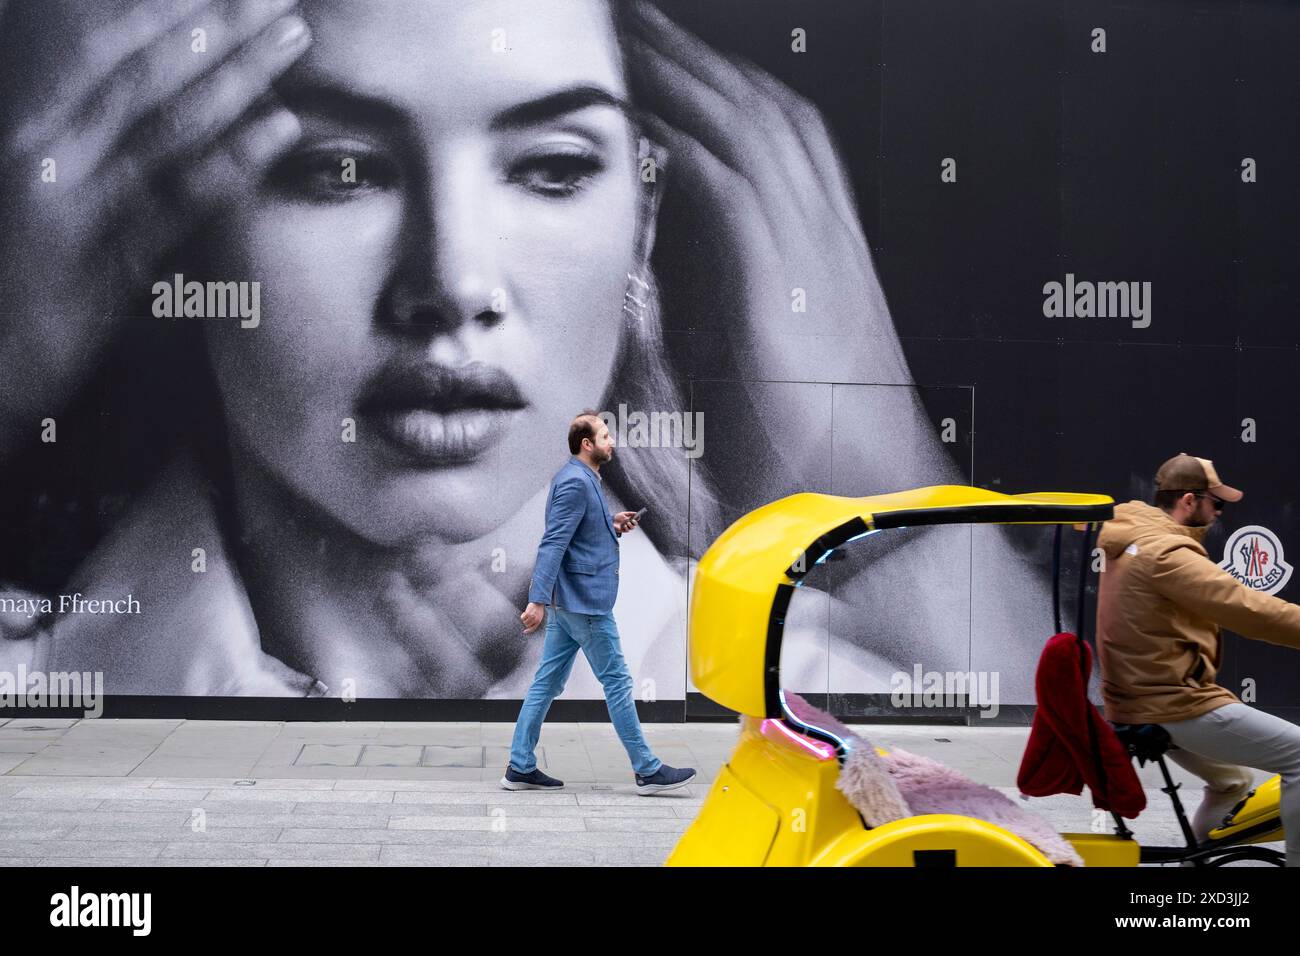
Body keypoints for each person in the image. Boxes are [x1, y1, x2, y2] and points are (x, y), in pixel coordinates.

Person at [0, 0, 1050, 705]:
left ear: (641, 225)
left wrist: (877, 491)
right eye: (340, 169)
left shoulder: (833, 703)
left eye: (551, 166)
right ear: (164, 216)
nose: (453, 284)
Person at [1096, 452, 1300, 864]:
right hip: (1172, 703)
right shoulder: (1167, 554)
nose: (1218, 514)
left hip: (1138, 698)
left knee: (1231, 782)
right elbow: (1247, 608)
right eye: (1216, 503)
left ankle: (1196, 861)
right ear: (1189, 501)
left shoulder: (1134, 536)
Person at [503, 411, 696, 794]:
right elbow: (554, 543)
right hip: (586, 605)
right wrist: (537, 600)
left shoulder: (579, 479)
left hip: (570, 604)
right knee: (619, 682)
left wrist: (611, 524)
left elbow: (576, 533)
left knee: (545, 684)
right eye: (605, 436)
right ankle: (646, 768)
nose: (612, 442)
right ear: (587, 444)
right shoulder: (576, 482)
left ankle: (520, 766)